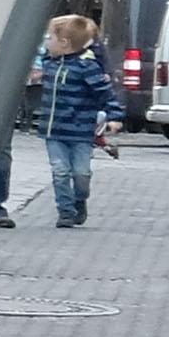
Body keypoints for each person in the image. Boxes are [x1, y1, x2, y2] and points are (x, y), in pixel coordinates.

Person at [34, 14, 116, 230]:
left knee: (81, 174)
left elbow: (104, 93)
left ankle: (80, 199)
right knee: (60, 171)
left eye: (50, 38)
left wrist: (115, 116)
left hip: (80, 131)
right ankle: (66, 212)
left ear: (64, 43)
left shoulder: (87, 67)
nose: (46, 42)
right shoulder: (49, 63)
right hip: (54, 130)